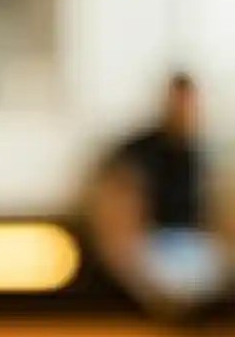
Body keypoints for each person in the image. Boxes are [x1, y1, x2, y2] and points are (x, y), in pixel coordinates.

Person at [86, 73, 231, 315]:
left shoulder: (207, 152)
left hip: (198, 247)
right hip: (152, 246)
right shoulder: (137, 152)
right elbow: (115, 208)